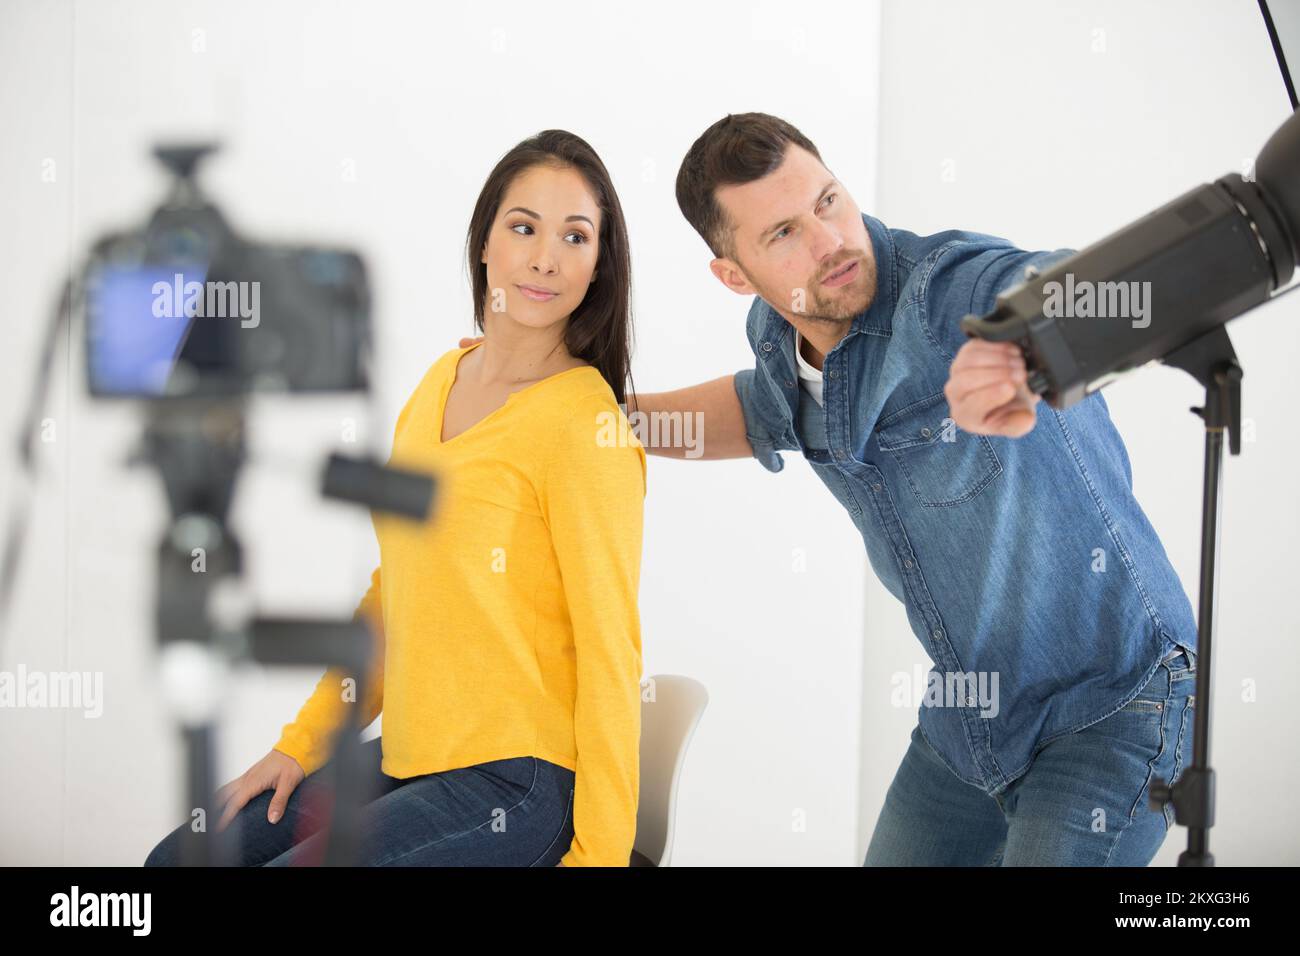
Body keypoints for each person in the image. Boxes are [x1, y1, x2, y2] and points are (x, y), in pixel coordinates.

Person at [465, 112, 1198, 866]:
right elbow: (759, 411)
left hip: (1112, 706)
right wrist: (586, 414)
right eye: (782, 233)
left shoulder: (950, 294)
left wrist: (1032, 348)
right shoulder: (784, 344)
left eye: (827, 201)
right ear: (736, 275)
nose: (830, 242)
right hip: (969, 719)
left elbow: (1105, 293)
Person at [145, 129, 647, 867]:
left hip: (519, 782)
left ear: (599, 264)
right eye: (523, 227)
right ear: (484, 244)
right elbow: (394, 592)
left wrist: (600, 857)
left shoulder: (585, 426)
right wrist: (300, 748)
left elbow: (612, 652)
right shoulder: (444, 378)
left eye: (576, 236)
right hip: (413, 757)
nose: (546, 257)